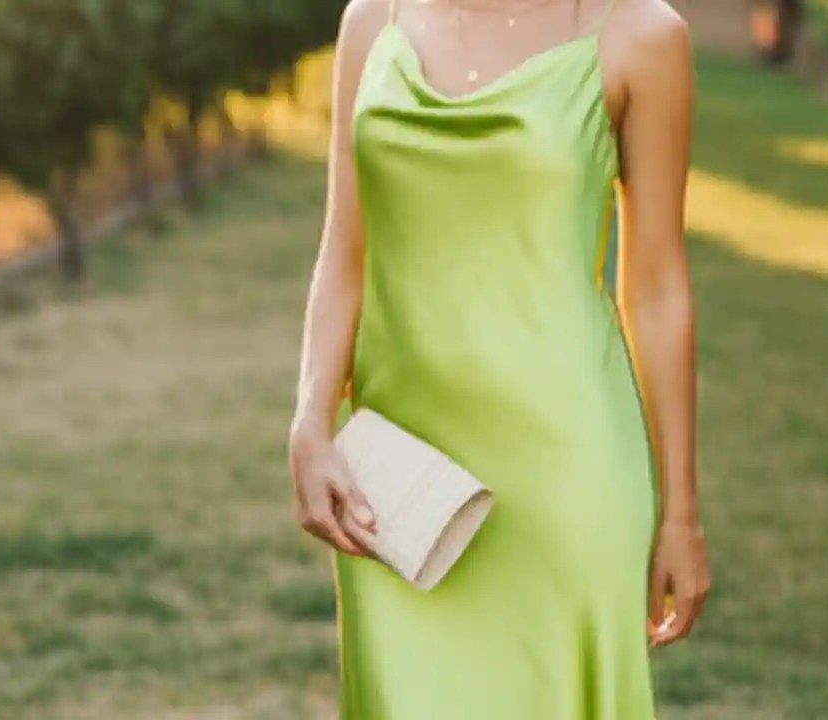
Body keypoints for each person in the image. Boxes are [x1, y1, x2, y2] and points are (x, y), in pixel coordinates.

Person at [289, 0, 709, 715]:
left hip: (566, 477)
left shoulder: (642, 36)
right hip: (401, 487)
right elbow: (344, 252)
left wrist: (680, 515)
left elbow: (657, 290)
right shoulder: (372, 20)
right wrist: (310, 418)